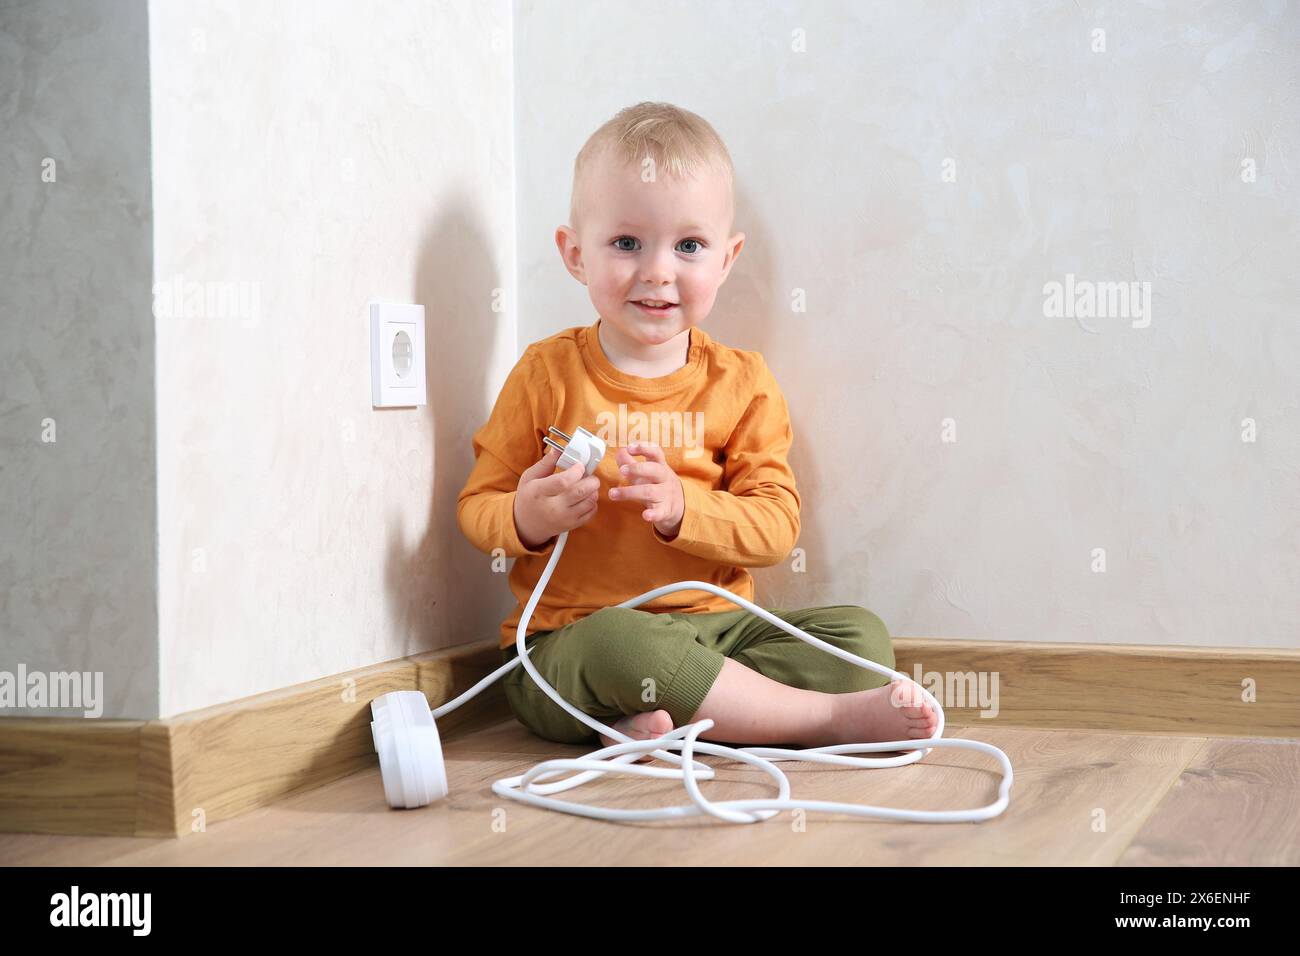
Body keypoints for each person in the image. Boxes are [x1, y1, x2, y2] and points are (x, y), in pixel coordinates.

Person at [456, 101, 937, 755]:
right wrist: (528, 516)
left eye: (688, 246)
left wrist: (686, 508)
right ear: (574, 253)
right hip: (574, 646)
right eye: (627, 243)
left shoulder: (741, 384)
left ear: (726, 258)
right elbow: (477, 508)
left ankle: (667, 726)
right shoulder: (546, 374)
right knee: (621, 642)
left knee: (859, 639)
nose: (658, 271)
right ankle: (821, 722)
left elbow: (775, 528)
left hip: (716, 634)